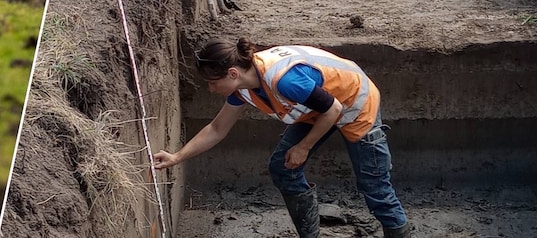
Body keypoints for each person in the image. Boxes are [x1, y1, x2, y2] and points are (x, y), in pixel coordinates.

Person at [152, 38, 412, 238]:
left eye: (212, 82)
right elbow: (217, 129)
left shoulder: (284, 80)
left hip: (355, 104)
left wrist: (303, 147)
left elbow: (334, 110)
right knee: (283, 168)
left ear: (233, 73)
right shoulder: (244, 87)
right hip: (317, 108)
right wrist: (177, 157)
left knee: (375, 187)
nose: (210, 88)